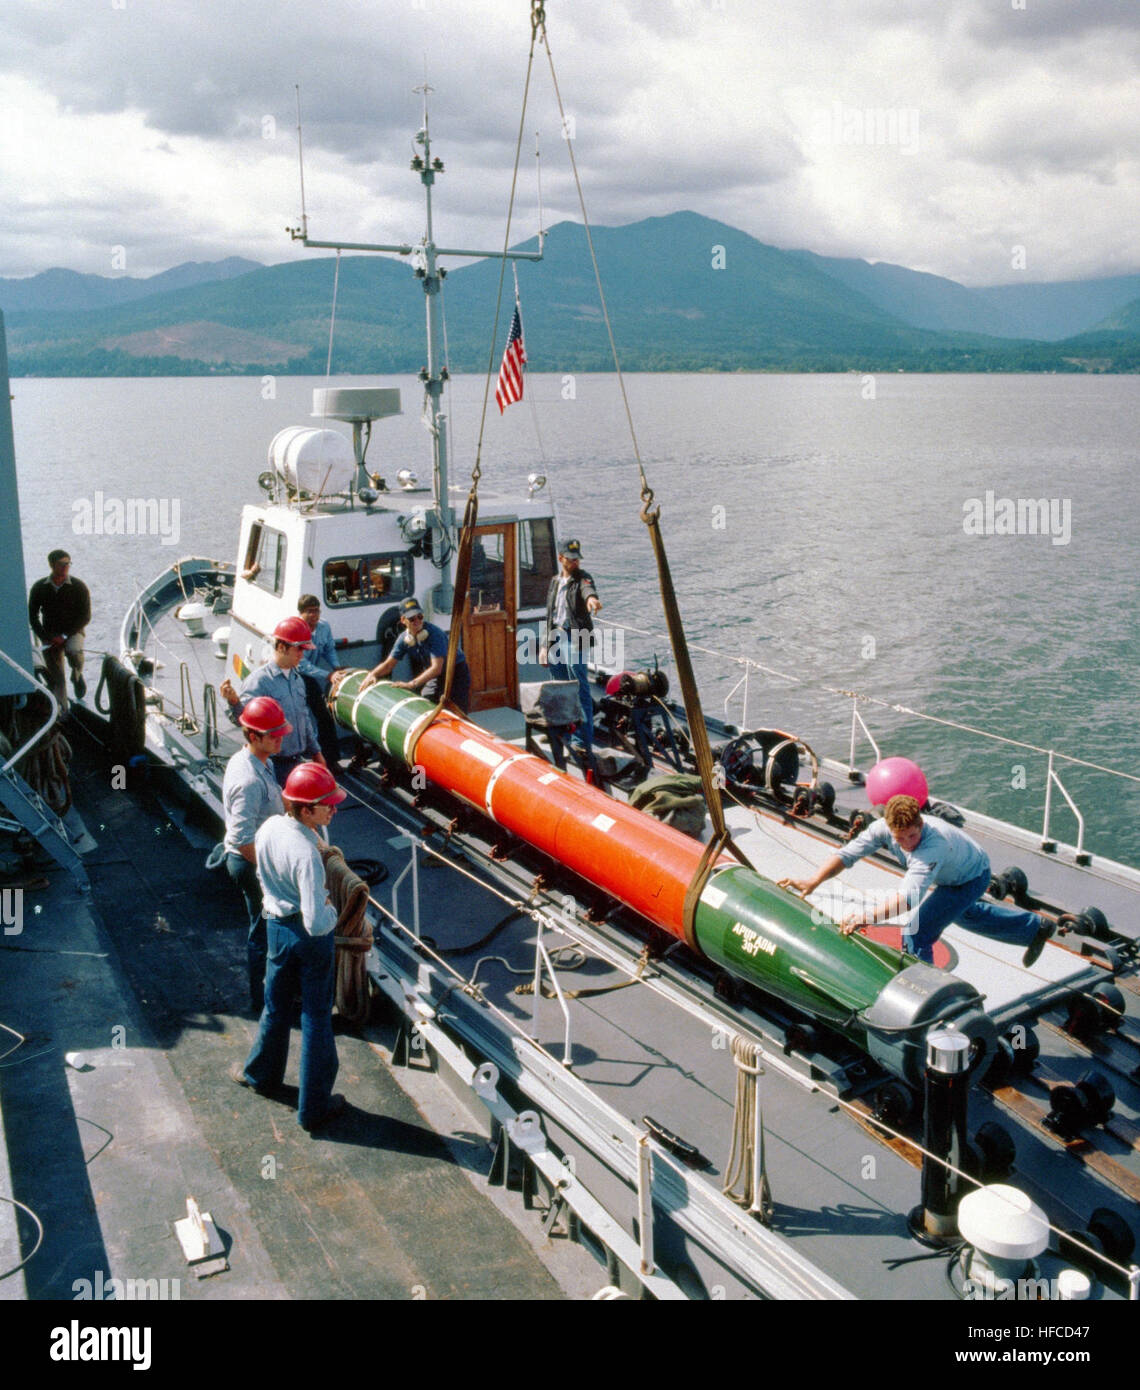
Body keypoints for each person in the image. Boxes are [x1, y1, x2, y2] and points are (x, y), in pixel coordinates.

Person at [779, 794, 1054, 968]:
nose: (907, 844)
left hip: (972, 877)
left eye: (912, 835)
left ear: (921, 824)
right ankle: (1035, 929)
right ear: (888, 829)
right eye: (899, 839)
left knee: (916, 931)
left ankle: (926, 994)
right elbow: (848, 854)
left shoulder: (931, 848)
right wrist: (812, 882)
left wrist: (865, 917)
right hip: (956, 871)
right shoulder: (881, 829)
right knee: (964, 914)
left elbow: (908, 899)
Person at [233, 762, 347, 1133]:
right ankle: (313, 1109)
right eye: (326, 805)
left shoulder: (269, 829)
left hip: (276, 928)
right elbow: (316, 923)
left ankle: (260, 1075)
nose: (333, 809)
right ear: (304, 809)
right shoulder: (307, 855)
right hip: (308, 938)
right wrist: (335, 913)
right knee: (315, 1018)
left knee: (275, 1005)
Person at [222, 696, 288, 1014]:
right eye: (273, 734)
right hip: (251, 864)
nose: (280, 738)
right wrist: (272, 875)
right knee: (263, 929)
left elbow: (272, 800)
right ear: (253, 736)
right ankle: (261, 1000)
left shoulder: (261, 761)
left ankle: (271, 991)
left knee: (268, 925)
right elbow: (242, 839)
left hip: (259, 859)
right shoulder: (248, 780)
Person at [219, 617, 324, 787]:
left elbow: (304, 720)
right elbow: (245, 722)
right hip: (273, 766)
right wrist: (234, 701)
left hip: (296, 763)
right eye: (298, 649)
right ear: (282, 648)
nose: (302, 655)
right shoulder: (259, 681)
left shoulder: (297, 680)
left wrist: (316, 752)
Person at [359, 598, 471, 713]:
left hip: (456, 672)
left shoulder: (434, 634)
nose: (417, 621)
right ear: (403, 620)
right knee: (426, 700)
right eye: (412, 619)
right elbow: (388, 665)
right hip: (436, 674)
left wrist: (411, 684)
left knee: (457, 711)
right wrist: (372, 674)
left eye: (420, 616)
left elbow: (436, 668)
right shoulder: (404, 639)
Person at [541, 538, 602, 749]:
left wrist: (592, 600)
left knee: (579, 688)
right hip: (556, 636)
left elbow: (588, 590)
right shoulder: (555, 582)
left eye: (577, 559)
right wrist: (544, 646)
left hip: (577, 637)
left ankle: (582, 740)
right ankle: (560, 731)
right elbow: (550, 615)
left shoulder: (583, 579)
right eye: (571, 559)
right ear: (561, 559)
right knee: (559, 686)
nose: (576, 563)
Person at [28, 549, 91, 703]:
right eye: (61, 564)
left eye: (68, 564)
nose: (65, 567)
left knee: (74, 650)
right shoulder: (39, 587)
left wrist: (64, 636)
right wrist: (45, 637)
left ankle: (77, 675)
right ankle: (62, 710)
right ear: (51, 565)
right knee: (56, 677)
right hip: (50, 635)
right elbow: (33, 616)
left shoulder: (78, 586)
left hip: (73, 631)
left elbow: (85, 616)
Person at [296, 594, 344, 768]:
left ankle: (331, 759)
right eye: (310, 612)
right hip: (293, 677)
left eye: (317, 611)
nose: (314, 615)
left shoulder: (324, 627)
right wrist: (328, 675)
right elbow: (301, 665)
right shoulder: (296, 631)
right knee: (297, 717)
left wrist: (336, 667)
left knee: (323, 716)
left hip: (310, 677)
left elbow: (329, 649)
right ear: (301, 613)